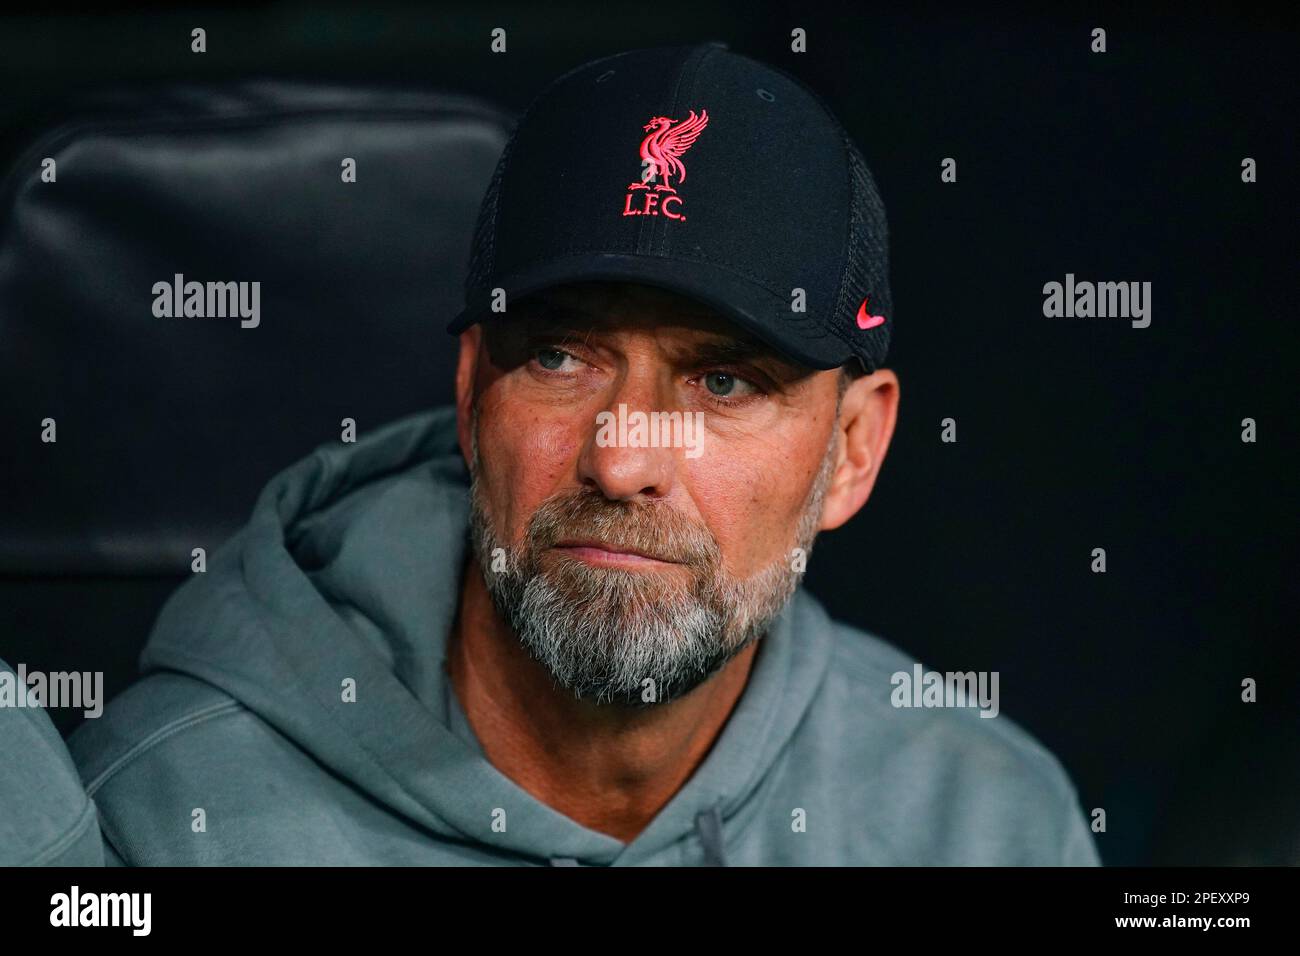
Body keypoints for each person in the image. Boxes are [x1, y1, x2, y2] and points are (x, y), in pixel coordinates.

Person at [70, 43, 1099, 865]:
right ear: (472, 394)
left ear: (853, 447)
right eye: (560, 356)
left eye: (723, 381)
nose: (620, 461)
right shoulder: (175, 812)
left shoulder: (982, 821)